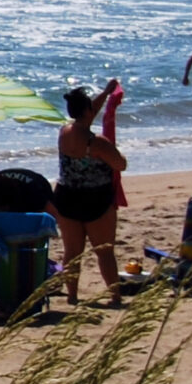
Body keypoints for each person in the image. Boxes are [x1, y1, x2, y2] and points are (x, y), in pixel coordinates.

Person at [53, 85, 128, 307]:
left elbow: (86, 115)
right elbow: (120, 164)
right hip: (95, 200)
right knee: (104, 251)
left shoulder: (64, 131)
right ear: (87, 111)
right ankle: (115, 296)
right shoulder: (98, 142)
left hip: (66, 197)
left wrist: (105, 94)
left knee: (72, 252)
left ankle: (73, 295)